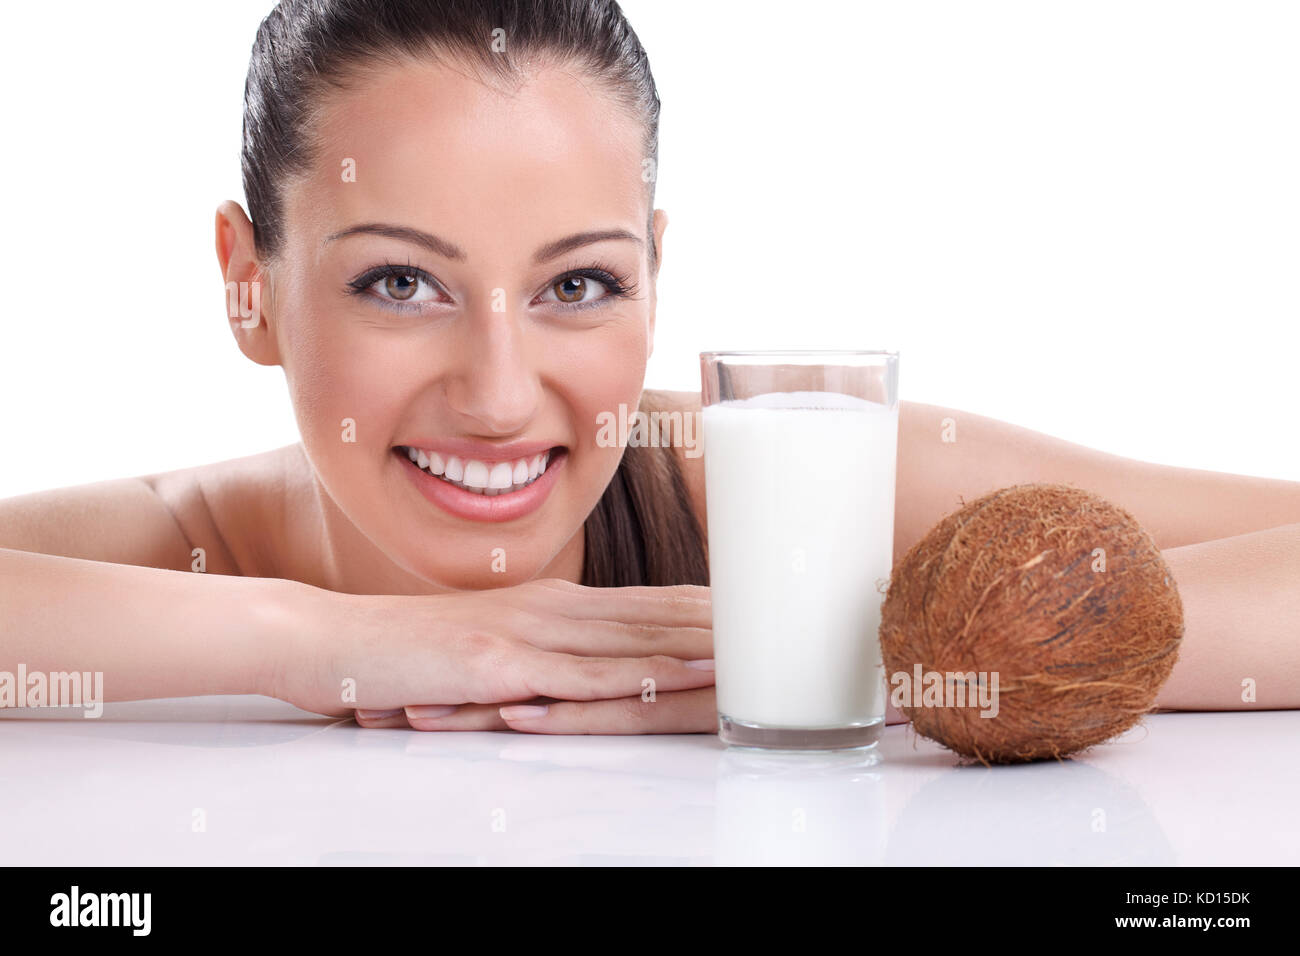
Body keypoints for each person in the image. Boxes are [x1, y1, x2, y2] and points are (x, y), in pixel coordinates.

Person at [2, 0, 1296, 735]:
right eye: (401, 283)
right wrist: (316, 640)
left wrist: (847, 664)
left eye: (578, 285)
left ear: (654, 277)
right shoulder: (189, 547)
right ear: (251, 285)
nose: (501, 396)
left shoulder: (777, 481)